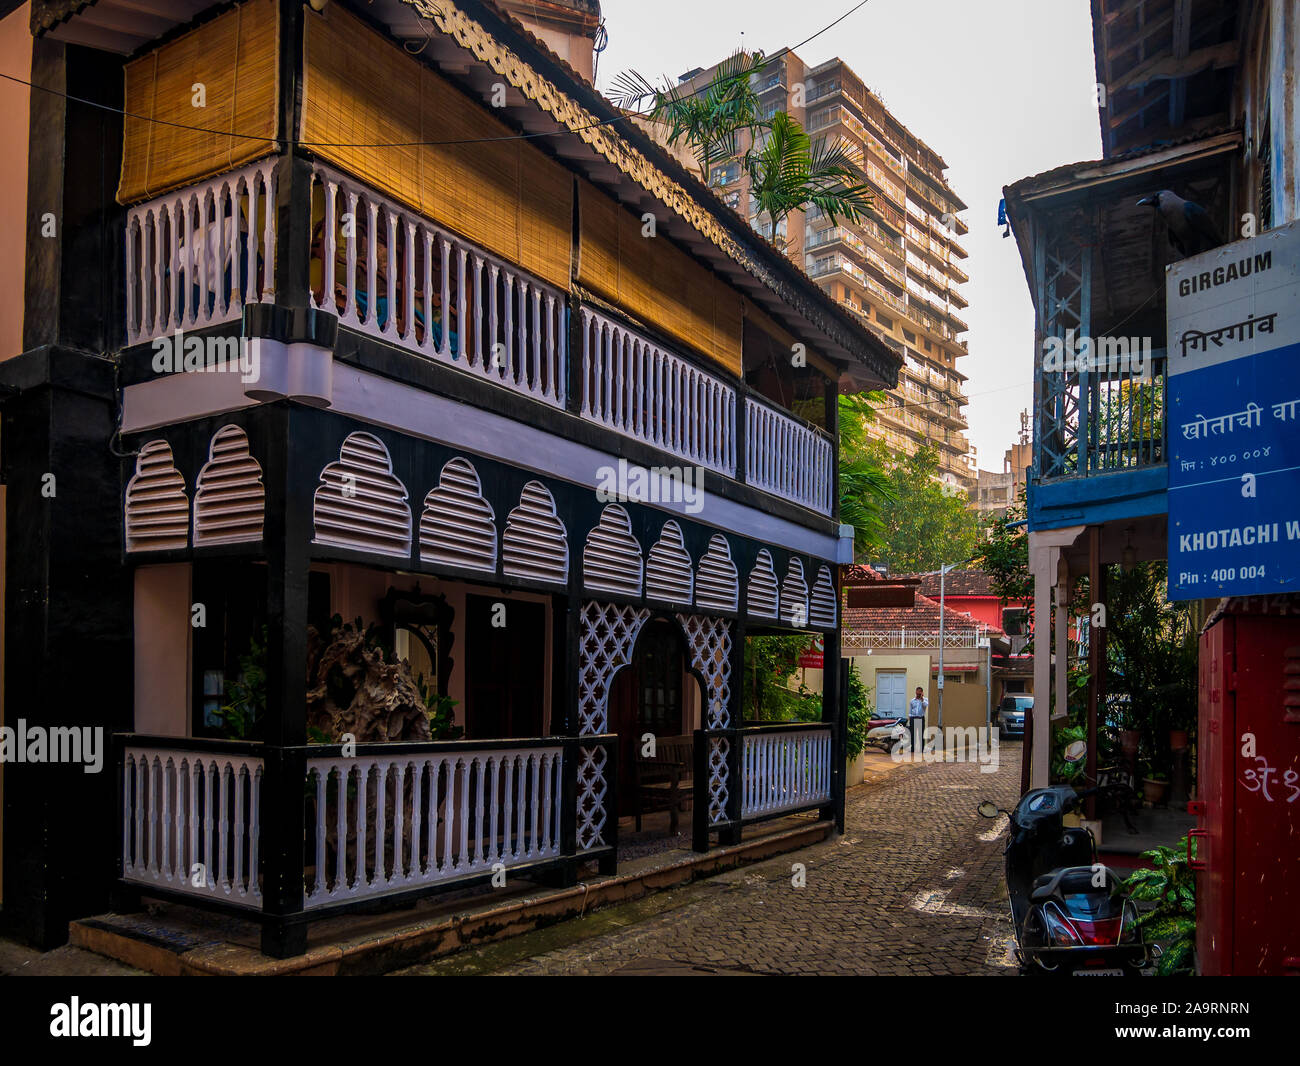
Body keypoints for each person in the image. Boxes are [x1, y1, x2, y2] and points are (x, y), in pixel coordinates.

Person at [908, 686, 928, 757]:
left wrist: (922, 698)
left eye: (919, 693)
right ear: (915, 692)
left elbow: (925, 705)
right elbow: (910, 711)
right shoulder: (912, 701)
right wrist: (910, 719)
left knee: (921, 735)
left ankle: (921, 750)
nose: (918, 694)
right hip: (913, 719)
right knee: (913, 735)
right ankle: (912, 749)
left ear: (922, 693)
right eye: (917, 692)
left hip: (921, 718)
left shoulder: (925, 700)